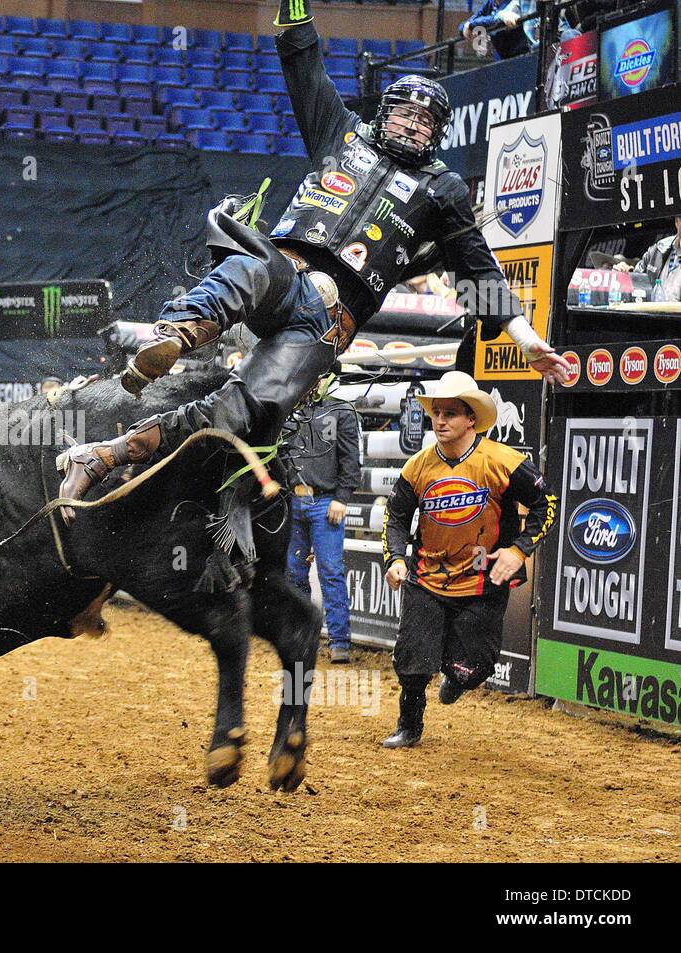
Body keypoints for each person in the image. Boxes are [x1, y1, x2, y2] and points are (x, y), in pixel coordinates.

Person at [57, 0, 571, 517]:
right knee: (250, 267)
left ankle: (104, 456)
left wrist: (528, 342)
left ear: (438, 133)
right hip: (289, 271)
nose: (413, 126)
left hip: (328, 324)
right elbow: (305, 64)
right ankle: (177, 334)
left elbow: (479, 270)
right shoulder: (340, 132)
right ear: (383, 113)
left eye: (426, 121)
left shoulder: (445, 190)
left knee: (244, 412)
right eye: (404, 113)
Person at [380, 372, 558, 747]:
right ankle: (409, 726)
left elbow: (548, 501)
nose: (441, 422)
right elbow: (396, 516)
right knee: (412, 661)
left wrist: (518, 549)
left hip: (483, 578)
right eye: (436, 414)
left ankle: (458, 678)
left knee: (475, 665)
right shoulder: (417, 466)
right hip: (427, 575)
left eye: (450, 414)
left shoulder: (502, 461)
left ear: (471, 419)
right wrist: (396, 557)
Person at [284, 383, 361, 662]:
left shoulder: (340, 409)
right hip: (293, 500)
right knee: (294, 572)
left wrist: (342, 496)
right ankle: (303, 637)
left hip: (325, 501)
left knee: (330, 571)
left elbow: (351, 457)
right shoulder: (291, 406)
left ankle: (339, 641)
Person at [613, 216, 681, 302]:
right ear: (677, 221)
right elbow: (638, 281)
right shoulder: (659, 249)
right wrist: (627, 274)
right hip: (652, 314)